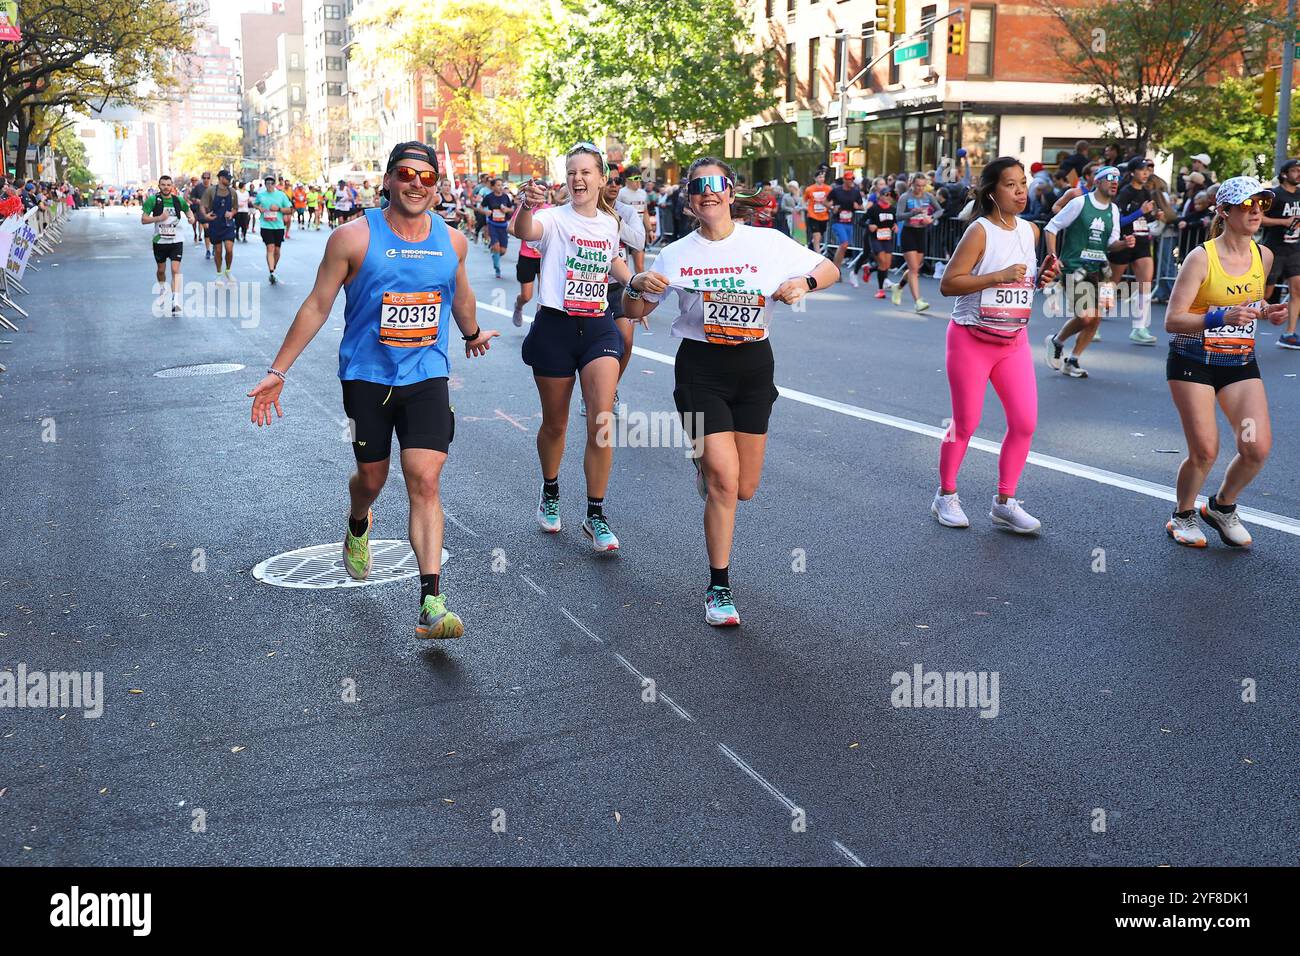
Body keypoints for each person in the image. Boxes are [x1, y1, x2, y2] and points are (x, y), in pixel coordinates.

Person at [248, 142, 498, 639]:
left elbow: (459, 294)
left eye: (428, 178)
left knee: (424, 479)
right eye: (407, 174)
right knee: (372, 478)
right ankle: (358, 519)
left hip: (427, 373)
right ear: (387, 180)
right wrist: (279, 371)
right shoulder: (353, 237)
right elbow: (318, 305)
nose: (417, 185)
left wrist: (471, 335)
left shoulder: (453, 241)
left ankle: (431, 600)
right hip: (366, 377)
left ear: (437, 187)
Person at [620, 156, 840, 626]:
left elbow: (829, 269)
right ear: (689, 199)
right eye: (698, 186)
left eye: (717, 184)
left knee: (744, 488)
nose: (708, 192)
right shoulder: (677, 254)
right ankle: (719, 587)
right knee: (723, 481)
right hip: (701, 369)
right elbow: (634, 306)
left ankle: (708, 467)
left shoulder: (766, 241)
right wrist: (636, 283)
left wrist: (802, 282)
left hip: (754, 366)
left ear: (731, 190)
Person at [509, 143, 636, 552]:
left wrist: (635, 280)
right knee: (556, 424)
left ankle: (595, 514)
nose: (578, 179)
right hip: (555, 328)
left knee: (601, 420)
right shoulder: (551, 218)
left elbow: (612, 261)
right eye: (571, 172)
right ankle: (550, 488)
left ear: (601, 179)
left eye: (586, 172)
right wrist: (526, 206)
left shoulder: (609, 223)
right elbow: (523, 231)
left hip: (597, 326)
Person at [934, 157, 1060, 534]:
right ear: (992, 191)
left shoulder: (1031, 232)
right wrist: (997, 276)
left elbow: (1024, 285)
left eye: (1023, 183)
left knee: (1024, 422)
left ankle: (1005, 502)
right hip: (971, 338)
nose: (1021, 191)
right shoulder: (980, 231)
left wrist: (1046, 277)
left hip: (1013, 341)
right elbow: (949, 284)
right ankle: (946, 495)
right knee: (966, 423)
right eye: (1011, 185)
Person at [1161, 177, 1286, 548]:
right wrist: (1219, 319)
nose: (1255, 212)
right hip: (1193, 361)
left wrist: (1268, 313)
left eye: (1260, 205)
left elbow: (1250, 305)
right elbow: (1172, 319)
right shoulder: (1201, 257)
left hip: (1238, 363)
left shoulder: (1264, 256)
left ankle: (1221, 506)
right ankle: (1182, 516)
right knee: (1205, 450)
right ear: (1224, 211)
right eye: (1246, 205)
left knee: (1256, 446)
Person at [1041, 166, 1134, 378]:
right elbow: (1051, 227)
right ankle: (1057, 341)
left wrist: (1124, 243)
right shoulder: (1080, 203)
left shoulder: (1114, 210)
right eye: (1110, 178)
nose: (1114, 182)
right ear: (1098, 181)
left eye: (1117, 179)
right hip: (1075, 267)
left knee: (1096, 317)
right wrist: (1053, 257)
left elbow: (1110, 244)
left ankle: (1072, 360)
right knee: (1085, 316)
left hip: (1102, 270)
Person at [1111, 156, 1173, 346]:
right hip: (1124, 240)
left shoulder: (1147, 192)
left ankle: (1139, 327)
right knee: (1112, 282)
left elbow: (1145, 216)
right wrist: (1140, 212)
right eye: (1142, 170)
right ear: (1132, 172)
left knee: (1146, 282)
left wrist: (1156, 215)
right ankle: (1093, 321)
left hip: (1142, 240)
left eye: (1148, 170)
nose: (1146, 173)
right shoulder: (1125, 192)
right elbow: (1119, 220)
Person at [141, 174, 195, 316]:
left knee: (175, 269)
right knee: (161, 270)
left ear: (172, 186)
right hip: (159, 241)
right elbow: (144, 219)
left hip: (176, 240)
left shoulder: (178, 200)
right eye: (163, 185)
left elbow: (189, 211)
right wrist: (159, 218)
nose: (166, 187)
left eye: (168, 185)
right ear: (159, 186)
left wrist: (191, 218)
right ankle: (163, 289)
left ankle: (175, 301)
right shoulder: (153, 200)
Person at [1261, 158, 1300, 350]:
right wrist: (1284, 222)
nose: (1298, 173)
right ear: (1285, 174)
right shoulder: (1275, 195)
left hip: (1294, 249)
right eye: (1295, 170)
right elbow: (1259, 218)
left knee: (1297, 289)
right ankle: (1241, 326)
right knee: (1265, 293)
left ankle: (1289, 333)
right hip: (1274, 248)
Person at [892, 174, 938, 312]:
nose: (920, 188)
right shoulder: (905, 197)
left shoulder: (928, 197)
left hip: (921, 232)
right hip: (908, 232)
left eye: (923, 186)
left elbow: (940, 210)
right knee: (913, 269)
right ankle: (918, 301)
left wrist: (931, 218)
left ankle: (898, 287)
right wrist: (912, 213)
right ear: (912, 184)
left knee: (915, 268)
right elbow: (898, 216)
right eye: (918, 185)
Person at [199, 169, 239, 285]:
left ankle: (228, 270)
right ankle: (218, 274)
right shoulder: (211, 191)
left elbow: (236, 208)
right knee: (218, 251)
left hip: (228, 225)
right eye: (227, 178)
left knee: (229, 249)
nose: (229, 180)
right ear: (221, 178)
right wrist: (206, 216)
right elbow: (202, 205)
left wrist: (232, 213)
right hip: (215, 224)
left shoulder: (232, 192)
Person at [828, 170, 864, 288]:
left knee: (844, 247)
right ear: (844, 179)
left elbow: (861, 207)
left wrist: (857, 206)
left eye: (852, 179)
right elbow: (825, 202)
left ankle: (835, 272)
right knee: (844, 244)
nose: (850, 181)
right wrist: (832, 207)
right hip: (837, 221)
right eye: (848, 179)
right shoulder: (836, 191)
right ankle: (835, 271)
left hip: (849, 222)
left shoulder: (856, 192)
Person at [255, 174, 292, 284]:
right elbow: (254, 203)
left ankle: (273, 267)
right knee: (270, 248)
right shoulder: (261, 195)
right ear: (265, 184)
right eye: (267, 183)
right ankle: (271, 272)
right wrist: (259, 208)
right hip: (266, 226)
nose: (269, 185)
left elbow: (290, 209)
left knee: (277, 251)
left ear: (274, 184)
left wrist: (279, 209)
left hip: (278, 226)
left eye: (272, 183)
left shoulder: (281, 195)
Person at [862, 186, 897, 298]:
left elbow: (893, 223)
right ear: (880, 196)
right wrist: (869, 225)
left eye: (890, 195)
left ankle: (870, 270)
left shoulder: (892, 209)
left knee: (887, 264)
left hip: (887, 239)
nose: (888, 197)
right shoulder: (874, 209)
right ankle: (880, 290)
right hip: (875, 238)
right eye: (886, 195)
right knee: (882, 262)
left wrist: (895, 226)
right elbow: (861, 221)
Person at [479, 178, 514, 279]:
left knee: (502, 250)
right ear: (493, 187)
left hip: (503, 225)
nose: (500, 187)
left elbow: (511, 209)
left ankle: (495, 254)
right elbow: (480, 208)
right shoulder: (489, 197)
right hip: (492, 224)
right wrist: (486, 212)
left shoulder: (505, 197)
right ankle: (497, 268)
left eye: (501, 185)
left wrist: (506, 209)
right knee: (497, 247)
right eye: (498, 185)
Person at [802, 168, 831, 254]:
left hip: (824, 215)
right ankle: (818, 256)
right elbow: (804, 200)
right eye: (819, 177)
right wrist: (806, 208)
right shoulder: (809, 189)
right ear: (815, 178)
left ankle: (811, 246)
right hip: (813, 215)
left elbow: (831, 200)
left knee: (819, 236)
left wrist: (829, 205)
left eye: (823, 177)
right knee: (817, 235)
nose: (821, 179)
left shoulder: (828, 188)